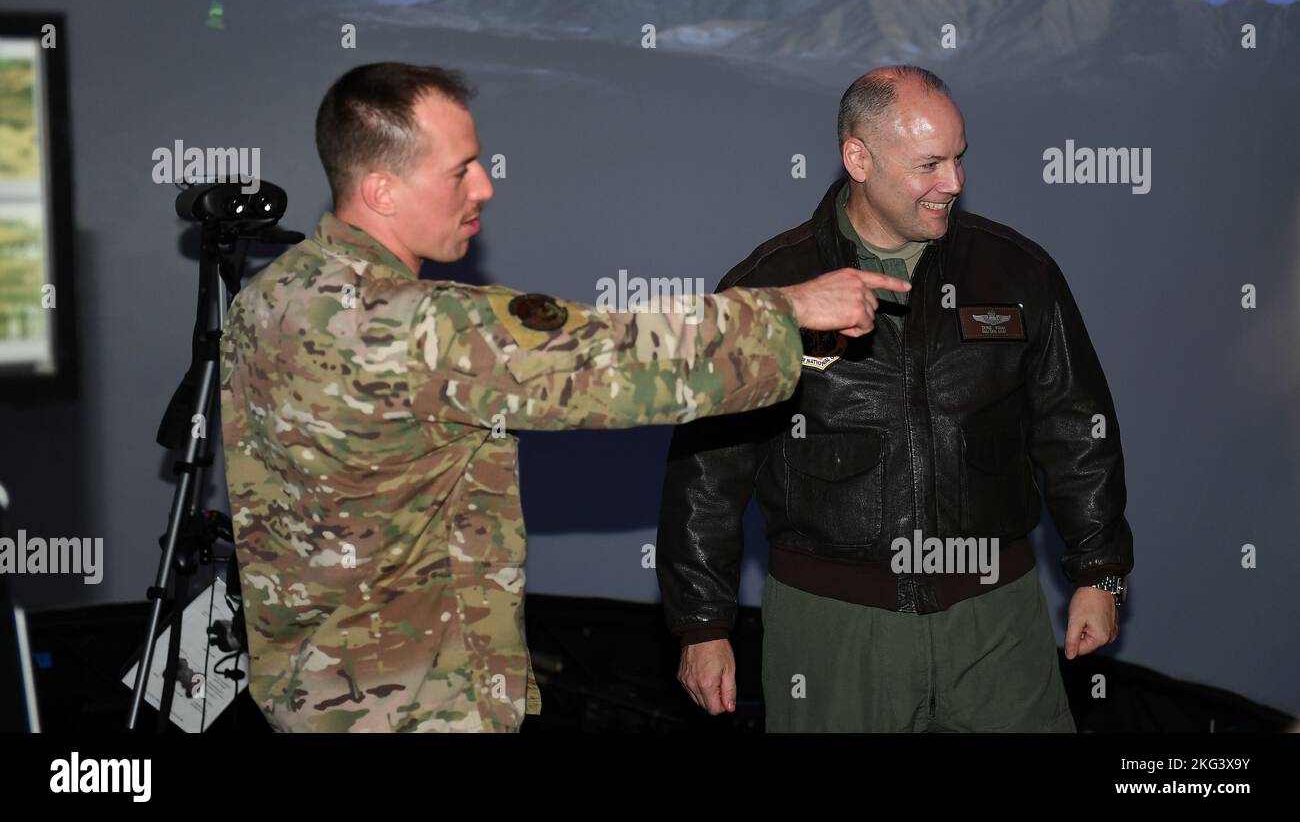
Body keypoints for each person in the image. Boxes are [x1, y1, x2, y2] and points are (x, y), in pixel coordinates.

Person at [219, 62, 908, 732]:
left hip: (312, 693)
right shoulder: (415, 326)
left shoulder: (270, 296)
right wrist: (787, 309)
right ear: (381, 190)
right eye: (459, 170)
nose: (484, 187)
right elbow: (610, 354)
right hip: (414, 707)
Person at [658, 65, 1134, 732]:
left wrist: (1100, 571)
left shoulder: (1018, 271)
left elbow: (1075, 427)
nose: (954, 184)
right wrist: (702, 624)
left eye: (960, 159)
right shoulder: (773, 287)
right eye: (929, 164)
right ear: (859, 158)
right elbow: (708, 469)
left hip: (998, 618)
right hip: (834, 628)